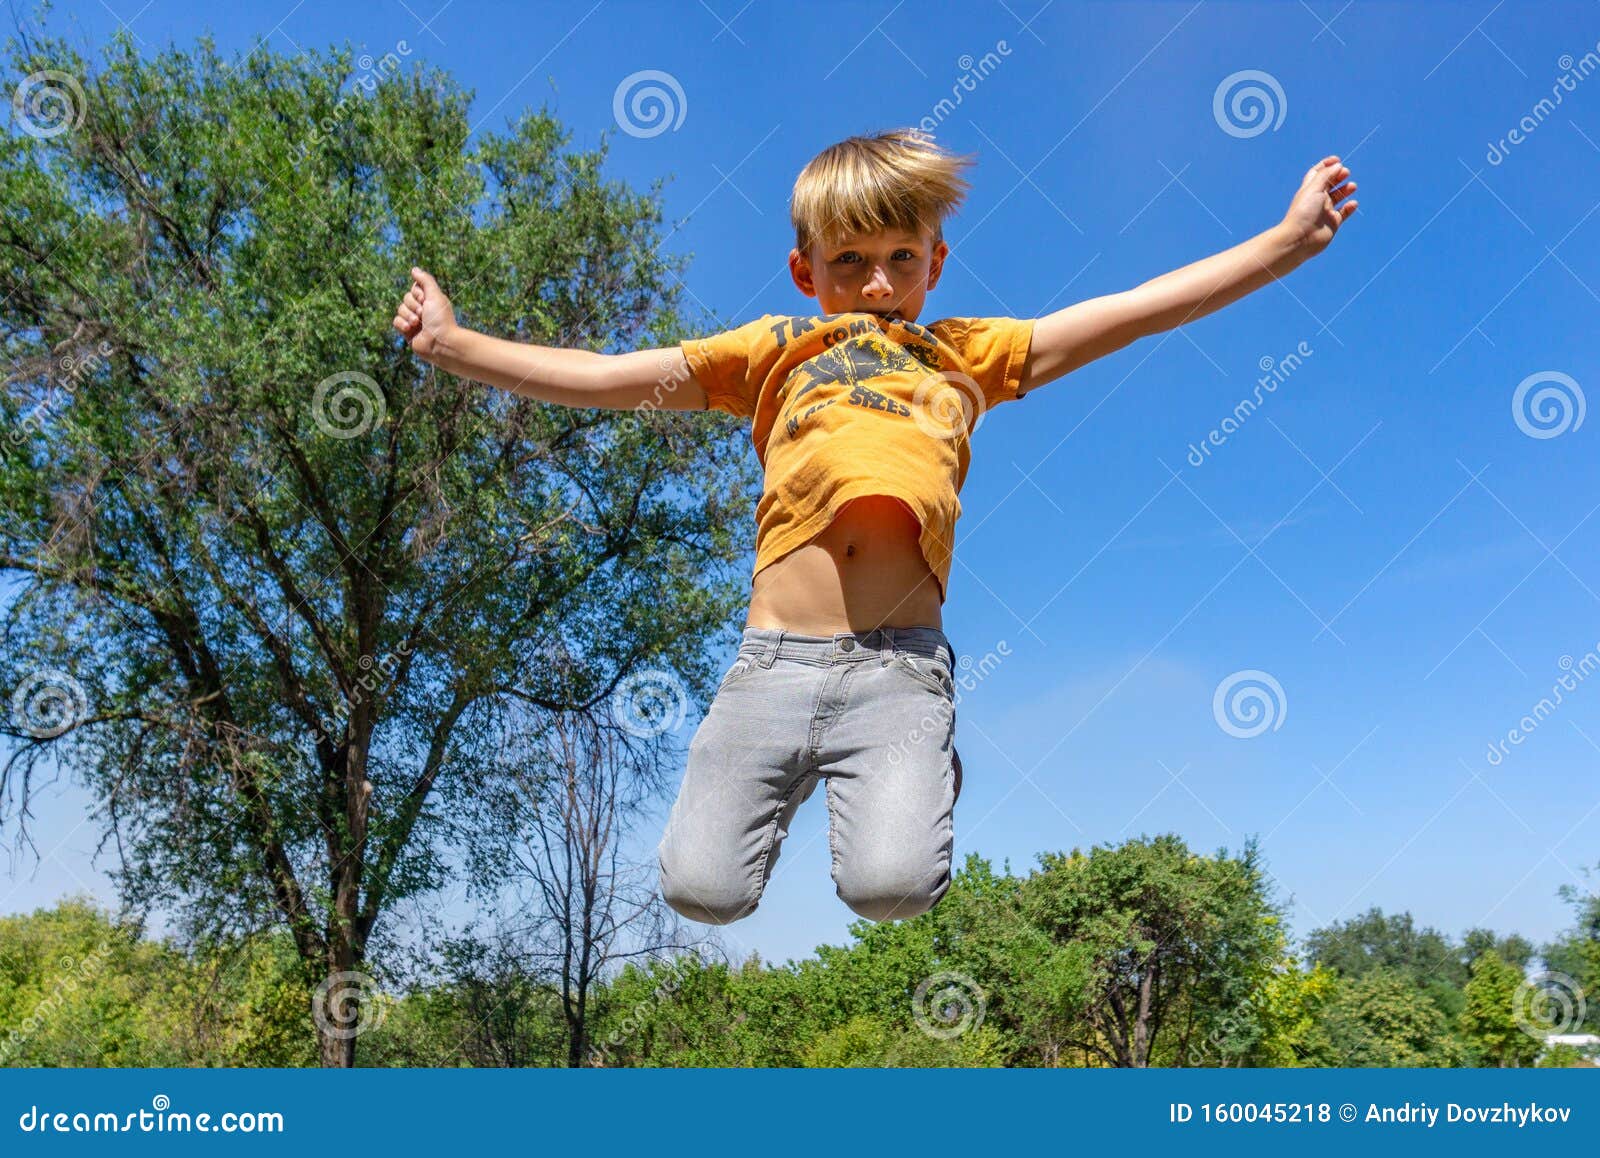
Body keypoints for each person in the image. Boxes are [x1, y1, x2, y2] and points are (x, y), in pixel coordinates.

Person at [392, 128, 1357, 927]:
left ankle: (917, 767)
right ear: (806, 269)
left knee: (889, 890)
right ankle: (816, 790)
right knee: (700, 891)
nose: (879, 283)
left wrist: (1283, 244)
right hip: (771, 665)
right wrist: (452, 345)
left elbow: (1130, 314)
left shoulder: (963, 354)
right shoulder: (775, 348)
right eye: (849, 261)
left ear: (935, 261)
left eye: (903, 259)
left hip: (899, 670)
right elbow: (610, 377)